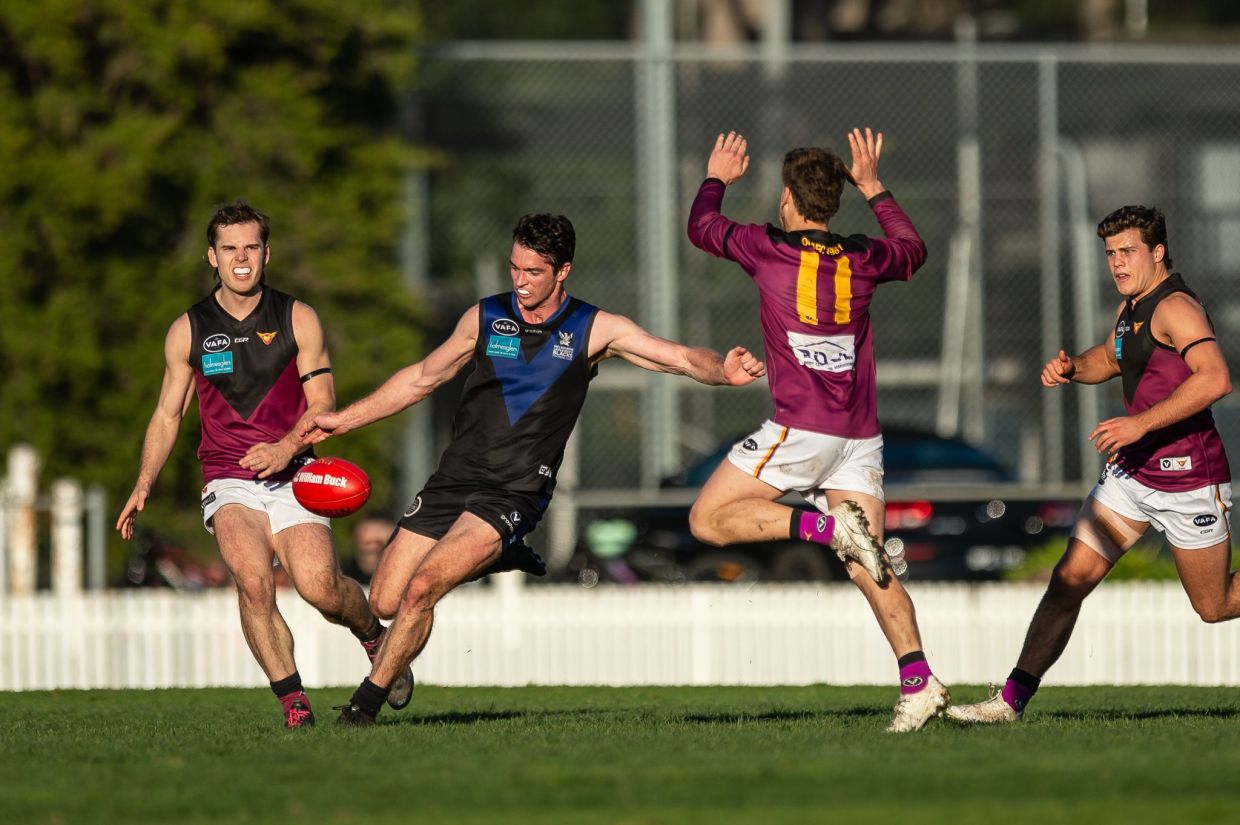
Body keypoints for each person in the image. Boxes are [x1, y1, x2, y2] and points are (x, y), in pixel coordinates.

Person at [300, 213, 767, 726]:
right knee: (386, 598)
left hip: (514, 492)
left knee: (422, 589)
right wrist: (344, 420)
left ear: (562, 270)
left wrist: (721, 370)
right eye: (514, 268)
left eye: (534, 271)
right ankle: (490, 563)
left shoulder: (596, 329)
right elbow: (421, 378)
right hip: (455, 478)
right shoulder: (485, 316)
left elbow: (677, 358)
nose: (520, 281)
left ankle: (362, 708)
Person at [685, 129, 949, 733]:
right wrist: (876, 186)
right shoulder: (862, 257)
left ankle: (825, 527)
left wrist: (716, 177)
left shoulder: (764, 247)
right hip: (860, 436)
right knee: (869, 564)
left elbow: (702, 227)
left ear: (788, 198)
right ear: (836, 200)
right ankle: (919, 681)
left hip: (803, 430)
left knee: (706, 520)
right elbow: (912, 249)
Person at [115, 200, 412, 728]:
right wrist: (144, 483)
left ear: (267, 252)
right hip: (227, 477)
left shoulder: (297, 317)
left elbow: (323, 407)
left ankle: (372, 633)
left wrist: (285, 448)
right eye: (230, 248)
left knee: (321, 587)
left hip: (295, 472)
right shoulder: (188, 329)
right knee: (252, 580)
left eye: (251, 246)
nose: (242, 258)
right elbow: (167, 414)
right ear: (212, 257)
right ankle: (294, 703)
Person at [947, 205, 1234, 724]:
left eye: (1128, 251)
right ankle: (1010, 702)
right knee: (1069, 579)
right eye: (1110, 253)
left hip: (1187, 479)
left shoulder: (1177, 307)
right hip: (1132, 476)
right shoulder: (1134, 305)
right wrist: (1074, 367)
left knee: (1213, 607)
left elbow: (1214, 378)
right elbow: (1111, 355)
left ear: (1158, 252)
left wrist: (1141, 423)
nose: (1118, 263)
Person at [343, 515, 396, 586]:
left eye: (380, 530)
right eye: (366, 530)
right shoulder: (341, 573)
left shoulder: (402, 574)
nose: (373, 536)